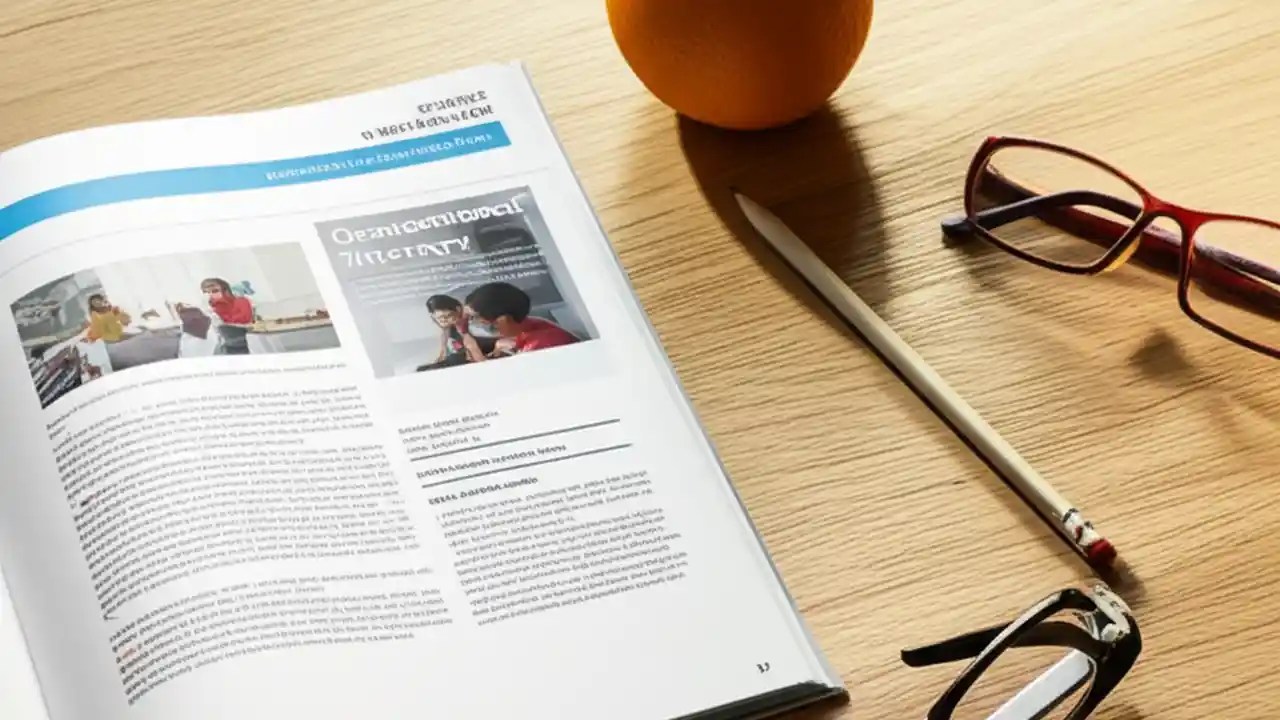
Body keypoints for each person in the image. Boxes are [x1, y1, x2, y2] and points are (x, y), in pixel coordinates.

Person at [464, 282, 580, 357]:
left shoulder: (540, 346)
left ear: (503, 320)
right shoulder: (534, 323)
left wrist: (474, 351)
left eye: (476, 317)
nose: (474, 322)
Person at [416, 295, 494, 371]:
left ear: (458, 310)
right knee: (422, 369)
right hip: (471, 344)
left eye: (447, 316)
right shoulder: (445, 321)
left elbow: (472, 345)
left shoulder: (463, 320)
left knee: (453, 358)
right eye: (440, 318)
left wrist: (484, 366)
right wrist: (442, 353)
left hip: (486, 343)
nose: (444, 321)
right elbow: (445, 331)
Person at [201, 278, 254, 355]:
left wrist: (223, 320)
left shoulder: (241, 301)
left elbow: (245, 318)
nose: (210, 294)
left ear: (225, 290)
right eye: (206, 292)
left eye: (215, 291)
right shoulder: (212, 308)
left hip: (242, 340)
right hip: (224, 344)